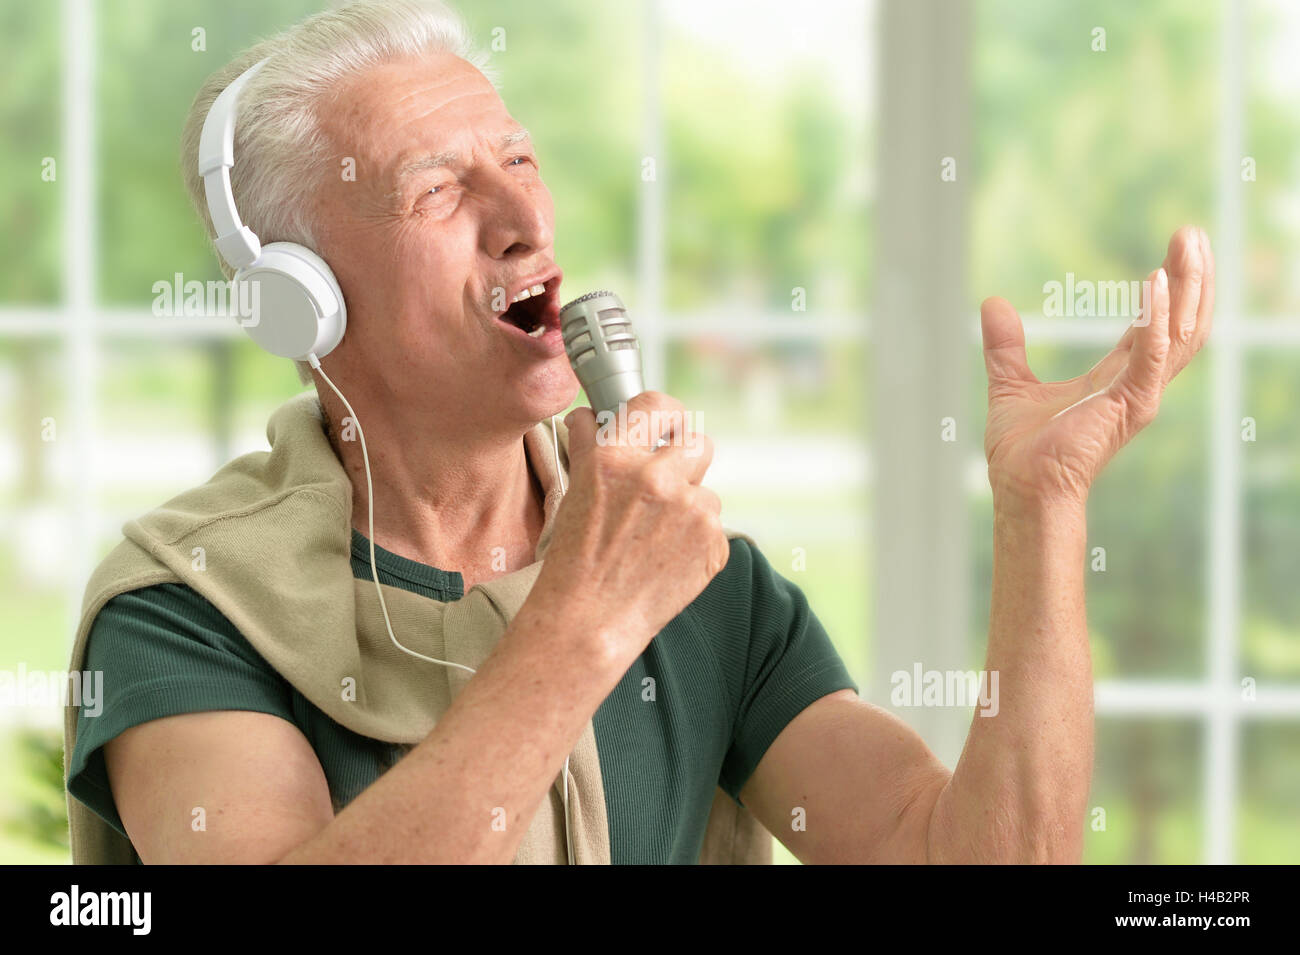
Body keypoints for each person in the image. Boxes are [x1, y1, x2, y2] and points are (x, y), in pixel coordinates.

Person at [64, 0, 1213, 864]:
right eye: (439, 192)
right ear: (296, 298)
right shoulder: (190, 610)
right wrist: (588, 612)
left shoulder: (701, 578)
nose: (524, 222)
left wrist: (1042, 508)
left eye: (517, 160)